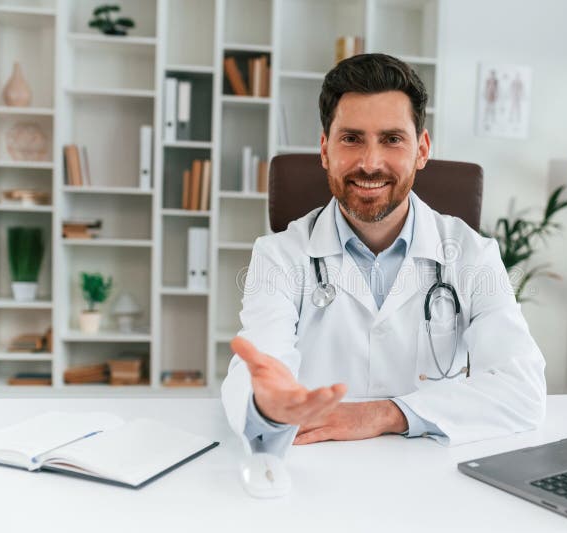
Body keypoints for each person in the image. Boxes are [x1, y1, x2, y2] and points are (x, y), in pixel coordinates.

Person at [221, 53, 546, 457]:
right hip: (316, 465)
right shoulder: (280, 257)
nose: (370, 163)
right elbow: (258, 372)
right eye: (351, 138)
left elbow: (522, 390)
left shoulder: (473, 257)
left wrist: (383, 414)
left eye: (392, 139)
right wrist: (267, 405)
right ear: (325, 150)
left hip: (430, 471)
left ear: (421, 150)